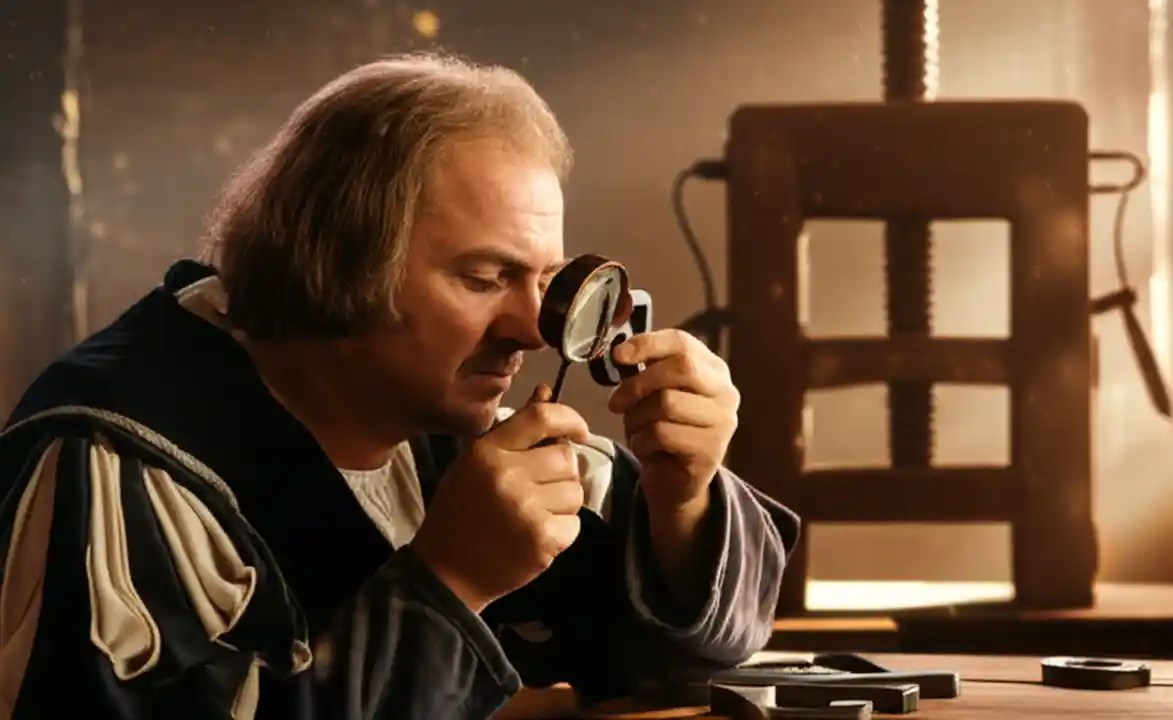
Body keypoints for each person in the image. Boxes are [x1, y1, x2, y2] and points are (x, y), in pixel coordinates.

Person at [0, 52, 798, 719]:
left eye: (549, 282)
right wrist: (450, 582)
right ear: (337, 265)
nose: (532, 328)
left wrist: (682, 496)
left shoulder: (451, 418)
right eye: (486, 278)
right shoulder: (115, 461)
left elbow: (702, 656)